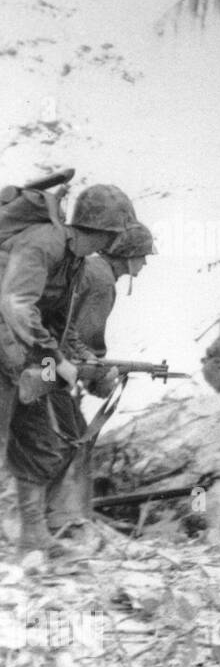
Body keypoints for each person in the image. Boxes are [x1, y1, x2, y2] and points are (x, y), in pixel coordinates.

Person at [0, 184, 142, 558]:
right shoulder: (44, 243)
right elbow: (16, 304)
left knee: (41, 443)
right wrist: (55, 361)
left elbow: (58, 325)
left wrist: (57, 368)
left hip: (23, 359)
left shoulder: (75, 262)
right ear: (105, 231)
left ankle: (33, 538)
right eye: (114, 234)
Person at [46, 224, 158, 540]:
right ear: (129, 255)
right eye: (143, 256)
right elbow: (78, 339)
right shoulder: (103, 281)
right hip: (49, 366)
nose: (145, 264)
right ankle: (61, 521)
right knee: (73, 439)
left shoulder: (89, 267)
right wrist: (101, 376)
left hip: (43, 360)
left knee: (65, 435)